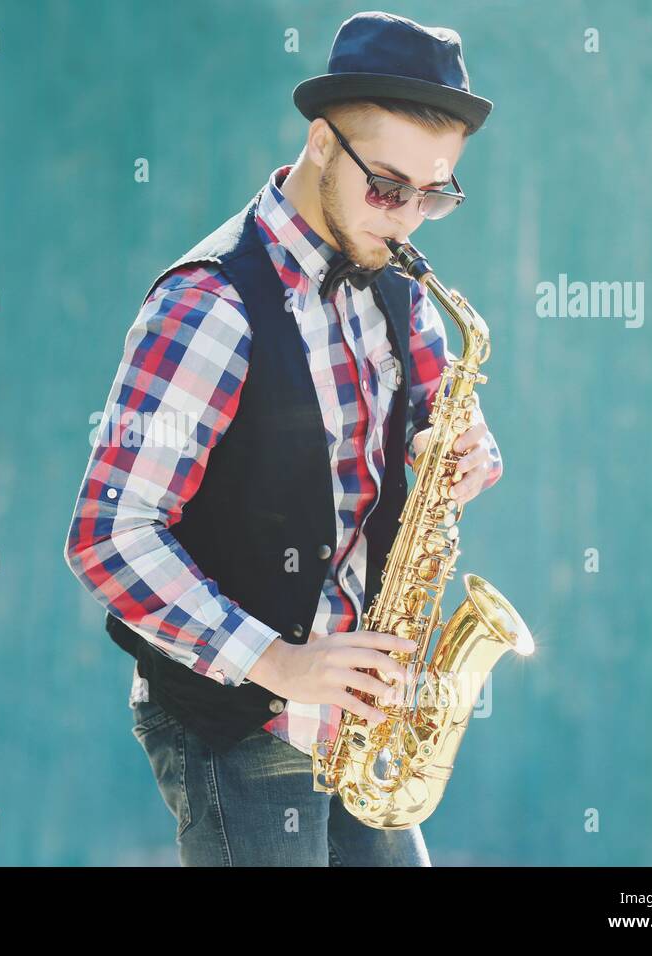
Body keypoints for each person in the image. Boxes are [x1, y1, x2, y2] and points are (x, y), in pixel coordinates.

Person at [63, 11, 504, 866]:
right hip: (241, 717)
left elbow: (445, 414)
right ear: (321, 143)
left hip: (360, 715)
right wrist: (279, 662)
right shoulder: (207, 309)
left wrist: (463, 451)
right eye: (388, 187)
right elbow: (108, 536)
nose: (409, 219)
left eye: (435, 194)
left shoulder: (401, 289)